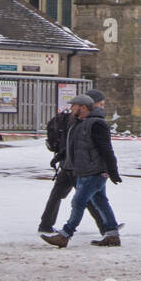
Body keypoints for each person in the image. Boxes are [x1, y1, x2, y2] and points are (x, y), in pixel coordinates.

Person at [41, 94, 122, 247]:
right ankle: (112, 234)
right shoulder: (78, 124)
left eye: (74, 106)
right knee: (100, 202)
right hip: (83, 170)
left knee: (78, 202)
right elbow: (74, 147)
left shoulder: (97, 124)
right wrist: (59, 157)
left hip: (94, 171)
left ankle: (65, 235)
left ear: (83, 107)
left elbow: (106, 149)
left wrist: (113, 170)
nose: (71, 109)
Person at [38, 99, 104, 235]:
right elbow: (74, 145)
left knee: (57, 196)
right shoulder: (78, 122)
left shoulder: (73, 121)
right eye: (100, 104)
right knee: (85, 198)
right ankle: (105, 227)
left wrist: (59, 157)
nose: (101, 107)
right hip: (75, 167)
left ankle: (45, 224)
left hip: (66, 164)